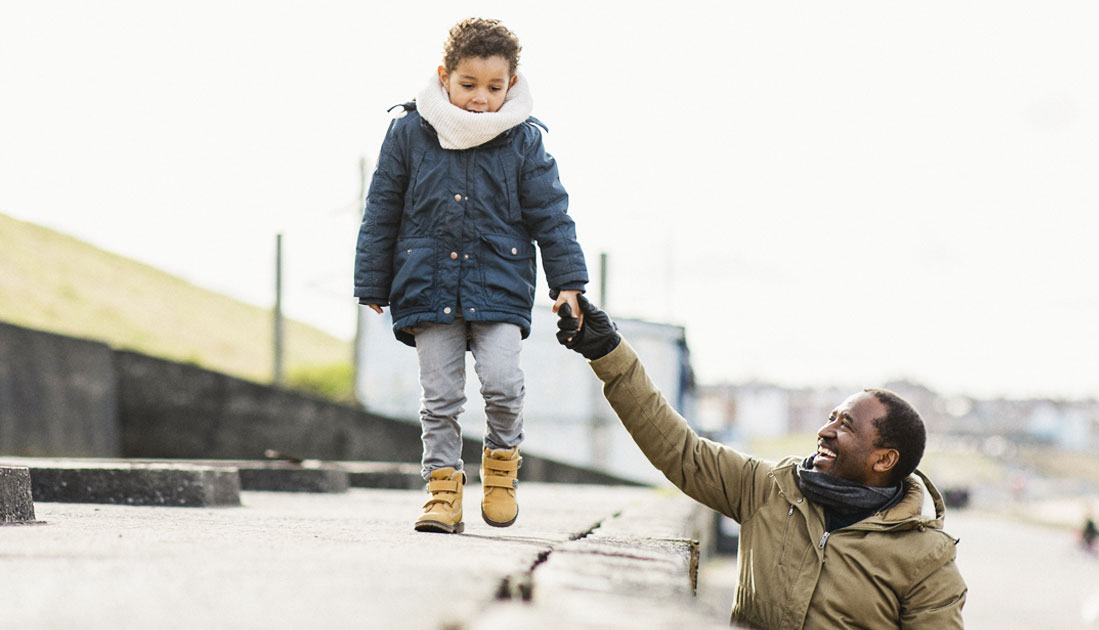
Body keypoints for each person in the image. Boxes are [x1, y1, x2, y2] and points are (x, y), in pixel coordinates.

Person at [556, 297, 967, 629]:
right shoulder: (768, 487)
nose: (825, 431)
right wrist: (608, 352)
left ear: (885, 459)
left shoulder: (926, 558)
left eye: (846, 426)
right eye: (829, 418)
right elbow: (680, 449)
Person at [354, 18, 588, 534]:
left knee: (503, 386)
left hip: (499, 283)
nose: (481, 99)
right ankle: (442, 493)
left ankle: (501, 469)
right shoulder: (408, 132)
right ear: (444, 76)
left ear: (511, 84)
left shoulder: (523, 141)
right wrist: (372, 280)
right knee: (439, 399)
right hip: (426, 282)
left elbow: (551, 213)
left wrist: (568, 283)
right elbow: (382, 209)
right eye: (468, 86)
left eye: (494, 87)